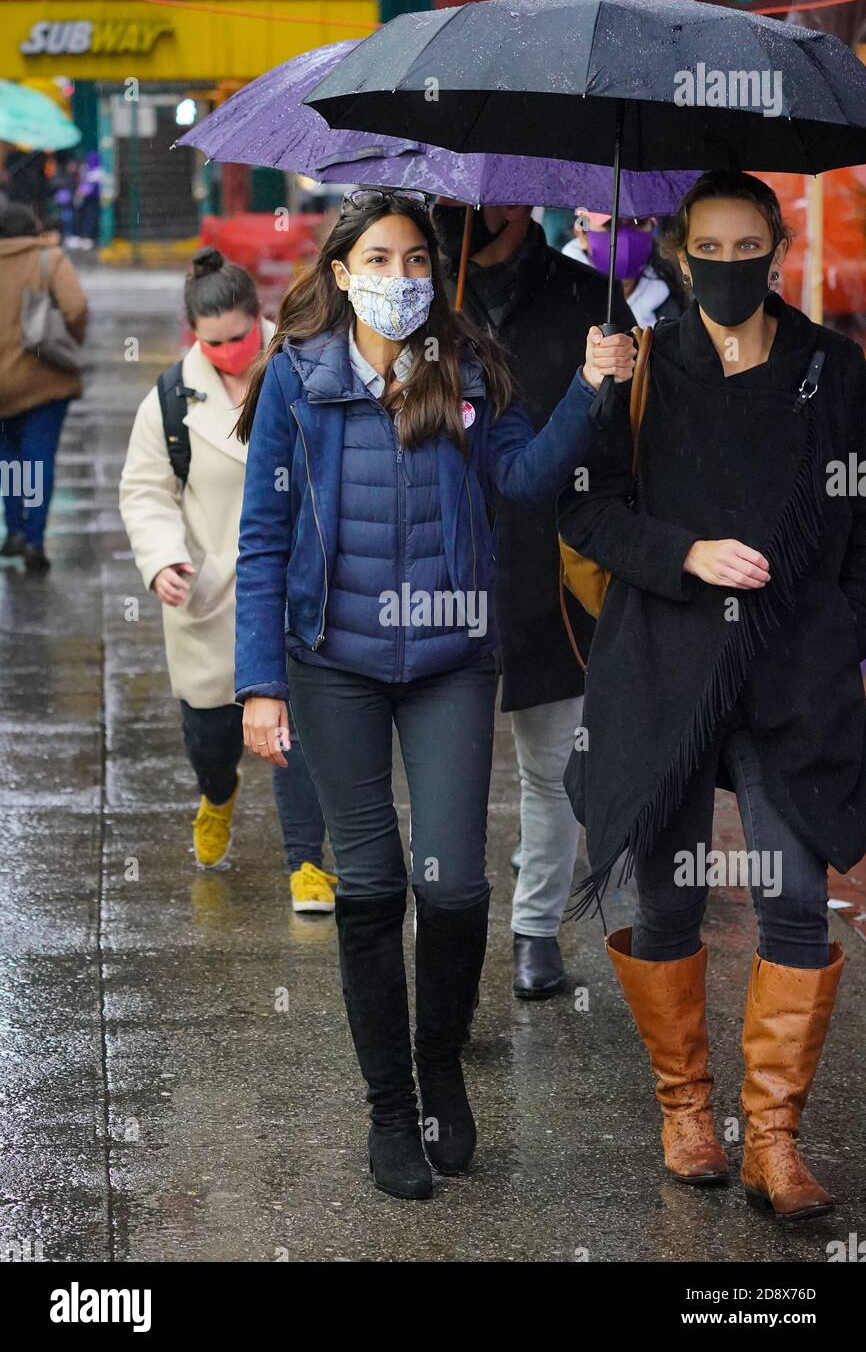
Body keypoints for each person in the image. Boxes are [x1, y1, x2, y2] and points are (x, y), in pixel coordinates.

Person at [233, 187, 635, 1201]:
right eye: (379, 258)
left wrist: (589, 391)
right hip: (334, 664)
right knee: (369, 888)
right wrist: (258, 685)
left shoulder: (464, 370)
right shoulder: (295, 379)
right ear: (338, 271)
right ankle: (386, 1110)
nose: (401, 278)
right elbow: (261, 538)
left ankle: (439, 1062)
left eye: (416, 261)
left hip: (452, 657)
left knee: (452, 885)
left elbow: (525, 482)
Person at [558, 169, 866, 1220]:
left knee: (790, 891)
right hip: (661, 670)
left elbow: (859, 521)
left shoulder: (833, 369)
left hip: (791, 678)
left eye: (749, 249)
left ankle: (774, 1141)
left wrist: (846, 636)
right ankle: (685, 1110)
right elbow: (584, 513)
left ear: (775, 251)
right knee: (667, 898)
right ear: (678, 255)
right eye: (711, 249)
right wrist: (683, 551)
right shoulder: (638, 366)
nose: (730, 267)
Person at [433, 199, 629, 1001]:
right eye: (448, 204)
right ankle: (446, 949)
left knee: (552, 769)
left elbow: (617, 438)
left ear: (524, 201)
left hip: (554, 567)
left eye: (483, 205)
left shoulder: (588, 298)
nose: (466, 215)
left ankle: (536, 931)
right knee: (447, 775)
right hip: (442, 574)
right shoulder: (423, 299)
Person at [119, 248, 336, 909]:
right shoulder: (168, 400)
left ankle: (307, 864)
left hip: (295, 590)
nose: (226, 351)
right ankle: (218, 795)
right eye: (209, 343)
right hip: (208, 600)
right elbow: (146, 490)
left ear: (260, 317)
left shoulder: (305, 368)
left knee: (296, 735)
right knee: (213, 743)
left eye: (239, 337)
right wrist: (161, 560)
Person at [0, 201, 87, 572]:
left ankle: (14, 529)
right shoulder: (48, 259)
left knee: (8, 460)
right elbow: (76, 306)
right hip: (44, 379)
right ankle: (35, 539)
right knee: (38, 458)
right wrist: (71, 341)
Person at [563, 211, 686, 327]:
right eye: (611, 224)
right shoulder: (557, 296)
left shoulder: (678, 299)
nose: (625, 237)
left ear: (652, 227)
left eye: (638, 222)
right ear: (582, 235)